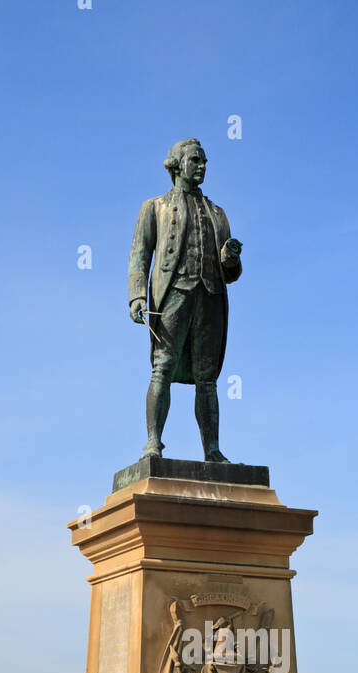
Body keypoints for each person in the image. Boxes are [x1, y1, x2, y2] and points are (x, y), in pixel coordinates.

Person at [128, 137, 243, 463]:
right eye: (196, 160)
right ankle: (153, 445)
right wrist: (137, 295)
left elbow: (231, 273)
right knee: (161, 369)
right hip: (172, 296)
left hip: (209, 296)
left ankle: (213, 451)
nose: (203, 166)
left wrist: (230, 257)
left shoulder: (218, 213)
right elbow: (139, 255)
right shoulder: (154, 208)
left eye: (205, 161)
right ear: (177, 165)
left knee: (207, 380)